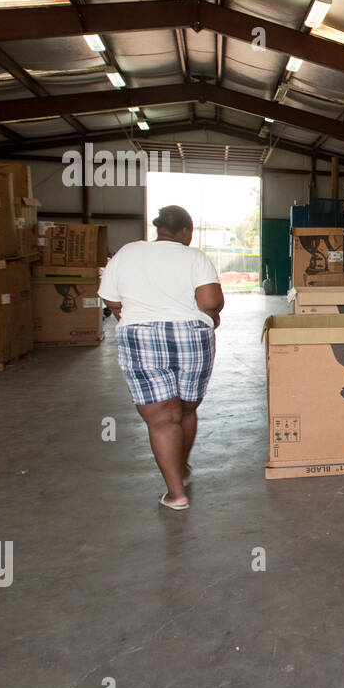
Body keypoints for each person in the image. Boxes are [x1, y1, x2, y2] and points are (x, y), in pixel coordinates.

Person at [99, 205, 224, 510]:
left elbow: (110, 297)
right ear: (185, 231)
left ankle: (176, 494)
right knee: (185, 409)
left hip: (141, 336)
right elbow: (211, 302)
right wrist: (211, 317)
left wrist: (127, 312)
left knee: (161, 419)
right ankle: (181, 468)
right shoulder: (194, 257)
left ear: (159, 229)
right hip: (191, 336)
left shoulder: (127, 253)